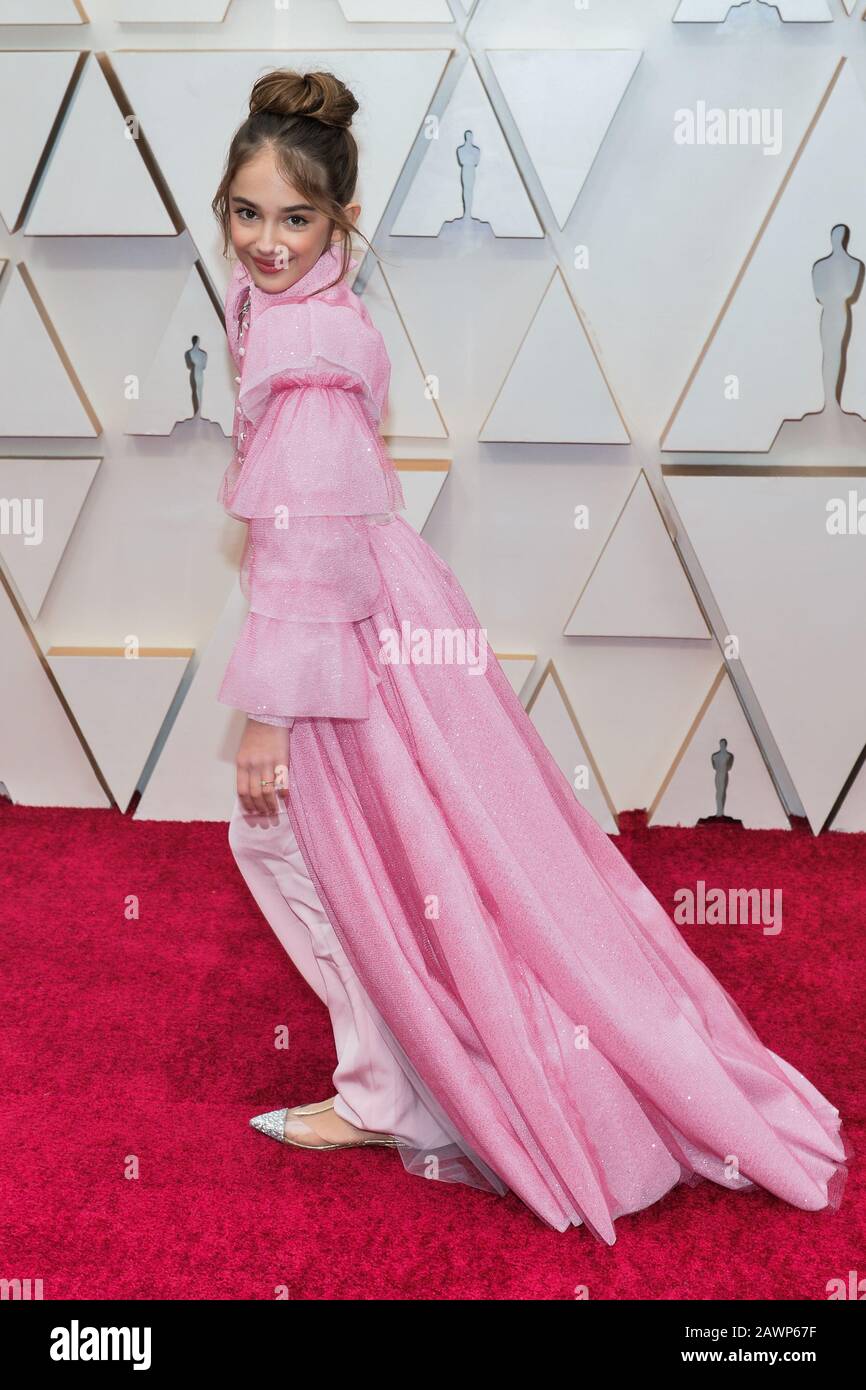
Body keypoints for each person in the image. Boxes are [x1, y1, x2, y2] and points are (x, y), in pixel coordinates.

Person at [211, 68, 852, 1244]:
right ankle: (388, 1079)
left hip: (341, 632)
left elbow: (303, 547)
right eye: (245, 213)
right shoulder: (312, 315)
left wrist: (266, 717)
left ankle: (392, 1087)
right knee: (399, 863)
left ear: (338, 222)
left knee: (335, 857)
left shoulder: (305, 348)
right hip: (378, 613)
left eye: (292, 217)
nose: (263, 240)